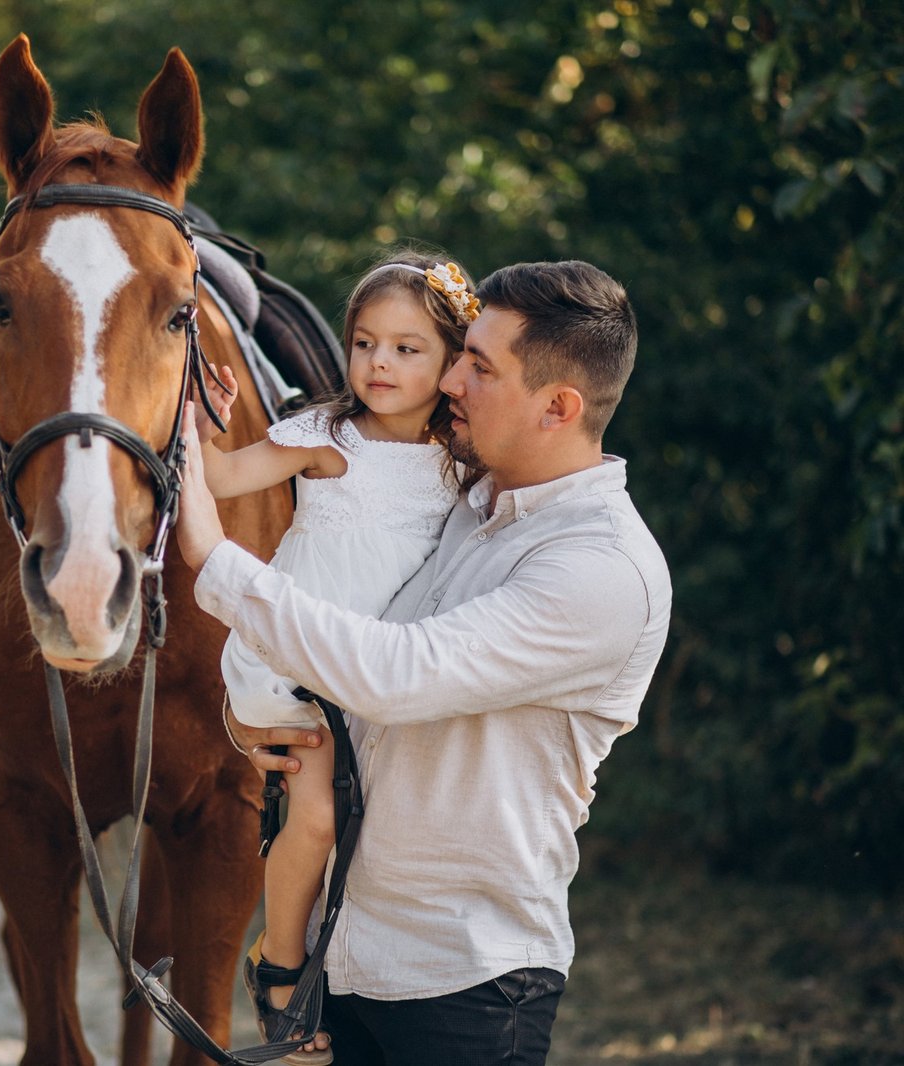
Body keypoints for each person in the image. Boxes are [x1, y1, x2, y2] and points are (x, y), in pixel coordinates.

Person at [175, 260, 672, 1066]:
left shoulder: (598, 569)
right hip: (347, 954)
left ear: (558, 407)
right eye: (460, 356)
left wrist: (214, 559)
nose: (450, 383)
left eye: (478, 366)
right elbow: (345, 635)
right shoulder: (467, 505)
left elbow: (395, 675)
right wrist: (254, 715)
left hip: (464, 982)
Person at [193, 252, 480, 1063]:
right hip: (289, 661)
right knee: (317, 818)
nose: (379, 363)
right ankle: (279, 966)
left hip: (380, 676)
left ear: (453, 361)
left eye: (406, 348)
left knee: (374, 832)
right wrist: (201, 424)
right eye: (364, 343)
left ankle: (355, 974)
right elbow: (223, 477)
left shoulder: (463, 461)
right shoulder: (327, 436)